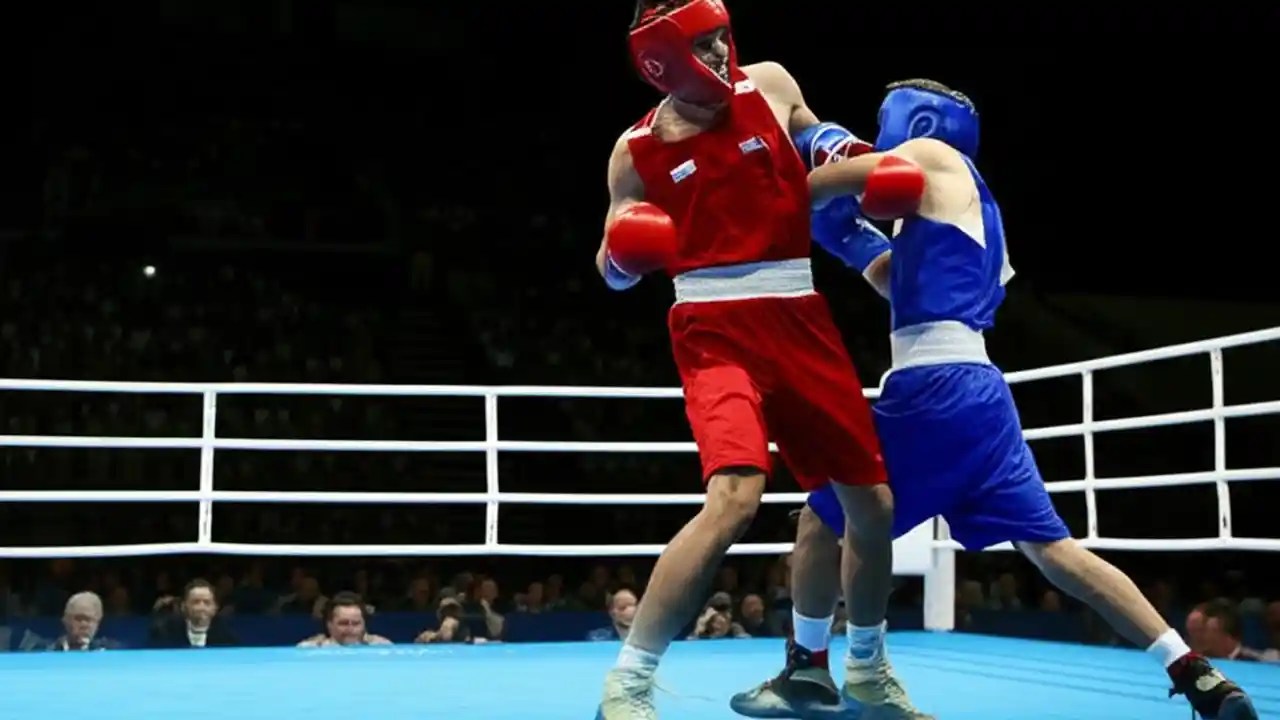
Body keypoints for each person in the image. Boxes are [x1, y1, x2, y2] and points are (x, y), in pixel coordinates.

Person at [730, 79, 1259, 720]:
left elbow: (846, 172)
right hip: (980, 394)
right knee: (1054, 550)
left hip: (934, 389)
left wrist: (773, 180)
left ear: (920, 120)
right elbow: (901, 285)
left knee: (824, 519)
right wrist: (848, 238)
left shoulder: (935, 157)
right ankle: (1192, 669)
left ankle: (810, 673)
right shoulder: (975, 213)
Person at [594, 2, 928, 718]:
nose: (720, 55)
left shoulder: (770, 84)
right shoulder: (636, 150)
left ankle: (865, 670)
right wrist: (625, 253)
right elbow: (608, 266)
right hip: (711, 328)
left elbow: (818, 142)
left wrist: (858, 162)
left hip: (800, 314)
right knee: (735, 496)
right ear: (662, 62)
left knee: (872, 505)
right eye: (702, 46)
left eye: (721, 39)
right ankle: (628, 682)